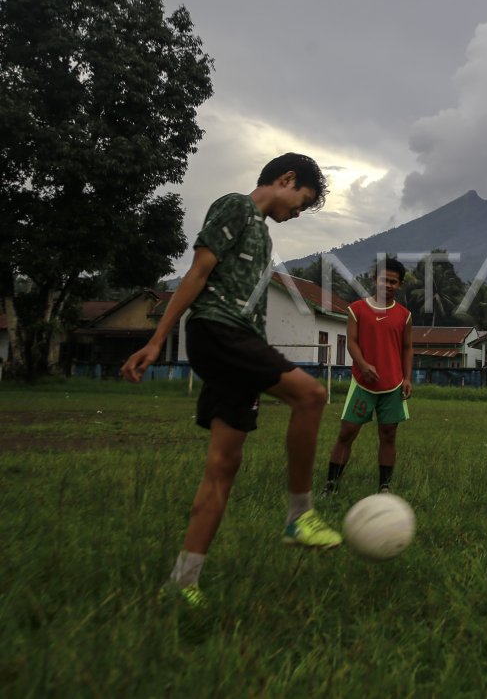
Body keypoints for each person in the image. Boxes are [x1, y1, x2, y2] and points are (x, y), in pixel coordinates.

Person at [121, 153, 342, 606]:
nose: (297, 213)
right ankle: (300, 515)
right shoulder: (235, 207)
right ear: (286, 178)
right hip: (219, 330)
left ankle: (182, 583)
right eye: (301, 201)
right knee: (312, 395)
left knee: (224, 465)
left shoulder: (259, 232)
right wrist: (156, 340)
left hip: (237, 341)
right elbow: (198, 273)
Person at [323, 258, 413, 495]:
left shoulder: (404, 315)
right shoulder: (357, 309)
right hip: (362, 383)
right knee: (347, 432)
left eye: (394, 282)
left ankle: (384, 487)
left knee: (388, 434)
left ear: (400, 284)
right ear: (375, 280)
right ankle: (331, 485)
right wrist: (362, 365)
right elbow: (351, 342)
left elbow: (407, 348)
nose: (388, 285)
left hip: (392, 384)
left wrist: (407, 378)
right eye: (384, 280)